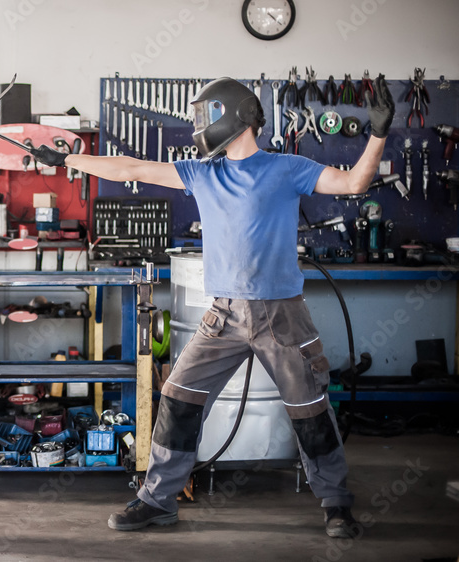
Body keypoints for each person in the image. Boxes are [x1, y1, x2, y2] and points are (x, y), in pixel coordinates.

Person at [32, 76, 394, 539]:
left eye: (207, 114)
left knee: (309, 409)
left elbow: (354, 182)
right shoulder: (203, 172)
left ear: (238, 114)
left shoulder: (288, 167)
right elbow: (131, 168)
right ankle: (157, 501)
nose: (199, 124)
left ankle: (336, 503)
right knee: (178, 399)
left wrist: (378, 133)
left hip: (282, 317)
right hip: (222, 316)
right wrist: (68, 159)